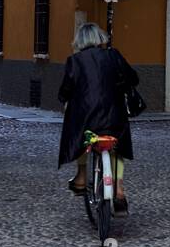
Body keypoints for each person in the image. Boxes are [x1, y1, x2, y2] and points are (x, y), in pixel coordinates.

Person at [58, 22, 138, 214]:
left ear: (79, 41)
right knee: (117, 146)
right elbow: (133, 79)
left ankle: (82, 176)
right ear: (100, 38)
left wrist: (66, 99)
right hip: (113, 117)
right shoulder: (114, 55)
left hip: (86, 118)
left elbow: (65, 91)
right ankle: (118, 189)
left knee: (80, 135)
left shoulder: (75, 61)